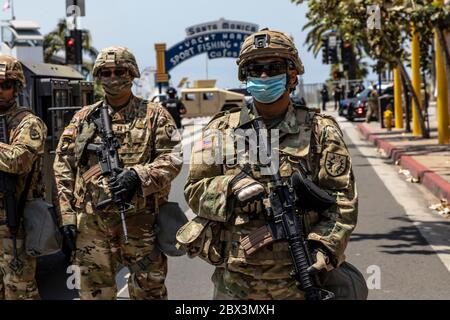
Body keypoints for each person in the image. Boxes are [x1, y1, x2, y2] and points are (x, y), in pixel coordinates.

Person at [177, 29, 367, 300]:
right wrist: (231, 186)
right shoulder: (219, 130)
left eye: (273, 67)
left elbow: (342, 201)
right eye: (256, 68)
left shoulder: (319, 130)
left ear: (292, 74)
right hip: (236, 284)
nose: (264, 76)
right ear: (246, 76)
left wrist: (324, 248)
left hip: (301, 279)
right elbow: (194, 191)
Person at [53, 46, 182, 300]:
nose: (112, 77)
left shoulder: (154, 115)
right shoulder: (83, 119)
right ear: (98, 77)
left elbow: (173, 157)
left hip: (141, 225)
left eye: (119, 71)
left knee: (149, 293)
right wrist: (67, 217)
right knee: (93, 294)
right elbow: (62, 166)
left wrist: (138, 175)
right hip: (92, 226)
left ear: (132, 73)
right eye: (106, 72)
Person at [0, 55, 47, 300]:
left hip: (14, 222)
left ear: (16, 87)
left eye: (5, 85)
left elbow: (18, 160)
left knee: (19, 292)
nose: (0, 91)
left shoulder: (28, 123)